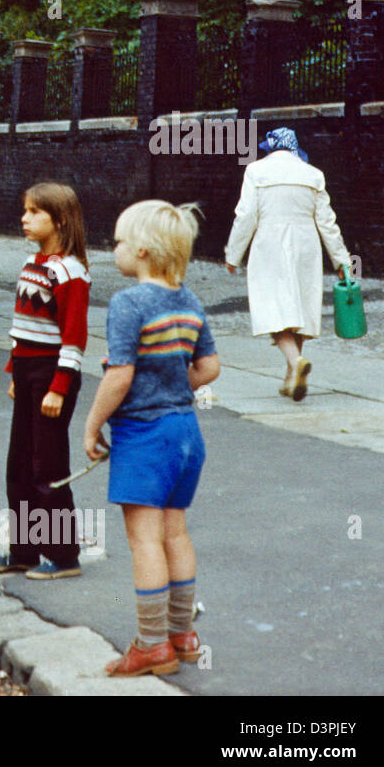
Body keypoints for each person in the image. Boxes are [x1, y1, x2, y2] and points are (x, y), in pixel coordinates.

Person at [83, 200, 221, 678]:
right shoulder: (189, 301)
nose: (114, 249)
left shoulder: (127, 304)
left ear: (141, 250)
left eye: (119, 242)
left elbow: (119, 375)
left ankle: (150, 645)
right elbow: (208, 367)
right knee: (175, 533)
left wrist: (91, 423)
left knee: (144, 542)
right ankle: (183, 635)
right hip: (186, 433)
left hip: (144, 435)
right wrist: (175, 386)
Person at [0, 182, 90, 580]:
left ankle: (63, 556)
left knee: (48, 467)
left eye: (33, 212)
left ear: (59, 220)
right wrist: (14, 370)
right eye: (24, 210)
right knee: (20, 465)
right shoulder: (32, 264)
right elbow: (23, 328)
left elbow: (75, 336)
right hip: (28, 372)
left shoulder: (69, 272)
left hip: (52, 374)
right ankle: (24, 549)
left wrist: (59, 386)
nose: (23, 219)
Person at [224, 127, 352, 401]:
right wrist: (341, 259)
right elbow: (327, 222)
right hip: (306, 244)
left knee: (273, 305)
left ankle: (295, 363)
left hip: (270, 243)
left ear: (270, 148)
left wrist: (233, 254)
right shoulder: (313, 174)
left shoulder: (256, 171)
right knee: (300, 307)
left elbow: (246, 216)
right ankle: (290, 375)